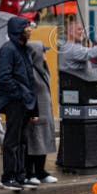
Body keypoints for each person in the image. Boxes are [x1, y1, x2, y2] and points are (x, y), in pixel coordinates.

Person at [0, 17, 38, 191]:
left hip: (25, 102)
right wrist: (20, 94)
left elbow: (28, 76)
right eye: (25, 26)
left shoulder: (24, 49)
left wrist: (30, 101)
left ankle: (21, 176)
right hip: (15, 102)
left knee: (22, 141)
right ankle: (8, 177)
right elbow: (4, 77)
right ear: (17, 30)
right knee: (12, 140)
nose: (29, 29)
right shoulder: (7, 50)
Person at [25, 41, 57, 184]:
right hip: (36, 113)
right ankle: (30, 173)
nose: (45, 54)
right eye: (43, 51)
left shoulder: (42, 68)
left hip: (45, 111)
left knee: (43, 141)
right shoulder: (30, 70)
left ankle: (41, 172)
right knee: (34, 143)